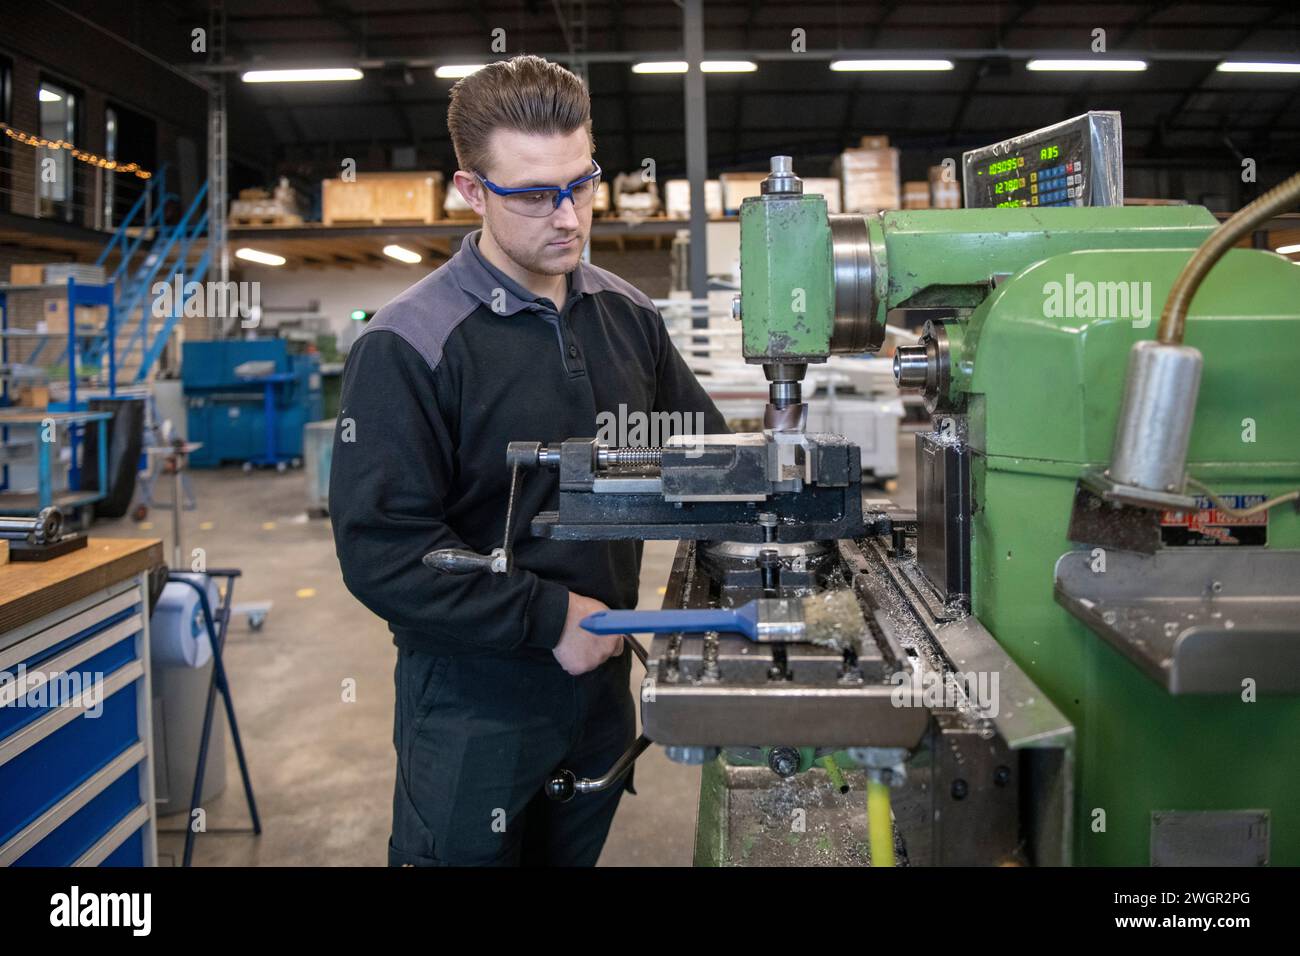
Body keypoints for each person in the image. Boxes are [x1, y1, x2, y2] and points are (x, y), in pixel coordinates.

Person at [330, 55, 727, 866]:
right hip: (476, 710)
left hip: (603, 694)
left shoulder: (627, 316)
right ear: (471, 191)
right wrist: (546, 619)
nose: (570, 217)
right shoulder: (409, 343)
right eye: (535, 194)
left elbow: (708, 458)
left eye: (581, 184)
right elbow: (382, 550)